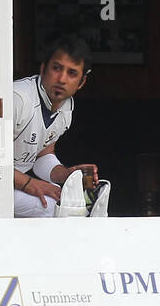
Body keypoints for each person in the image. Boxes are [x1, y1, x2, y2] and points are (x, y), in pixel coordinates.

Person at [12, 35, 104, 217]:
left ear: (82, 82)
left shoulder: (66, 107)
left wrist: (65, 174)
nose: (62, 79)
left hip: (11, 184)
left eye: (72, 73)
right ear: (43, 68)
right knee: (56, 207)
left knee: (74, 202)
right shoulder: (18, 98)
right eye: (56, 68)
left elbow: (42, 155)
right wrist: (29, 184)